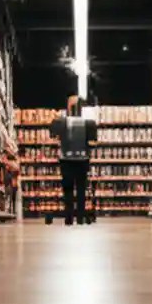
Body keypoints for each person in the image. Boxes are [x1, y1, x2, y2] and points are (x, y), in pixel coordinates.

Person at [48, 95, 98, 225]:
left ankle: (68, 218)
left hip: (66, 159)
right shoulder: (89, 123)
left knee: (68, 190)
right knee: (81, 189)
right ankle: (80, 217)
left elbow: (52, 133)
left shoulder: (61, 122)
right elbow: (93, 141)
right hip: (83, 159)